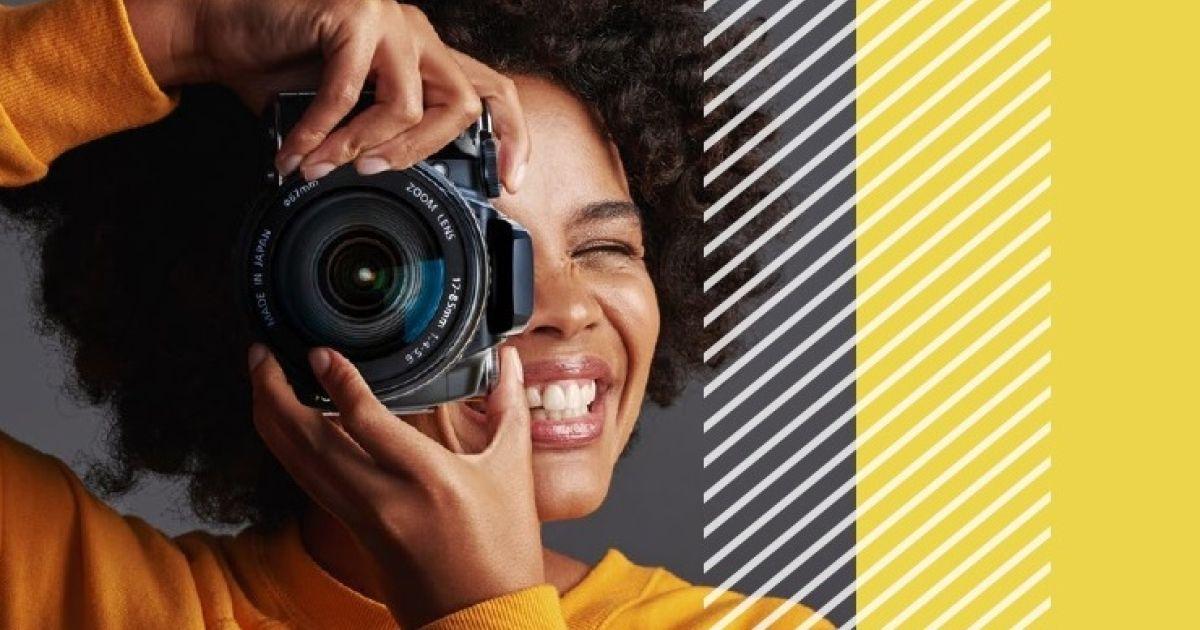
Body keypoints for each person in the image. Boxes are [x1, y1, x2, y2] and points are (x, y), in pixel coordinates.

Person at [0, 0, 832, 627]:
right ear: (284, 292)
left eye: (607, 248)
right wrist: (191, 30)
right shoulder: (77, 595)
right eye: (463, 253)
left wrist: (482, 601)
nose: (568, 308)